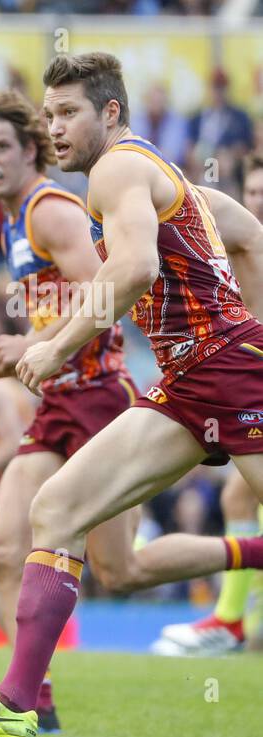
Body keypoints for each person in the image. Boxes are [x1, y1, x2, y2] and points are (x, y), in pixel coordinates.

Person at [0, 53, 263, 737]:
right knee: (58, 511)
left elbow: (134, 266)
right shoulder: (161, 179)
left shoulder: (115, 171)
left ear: (110, 113)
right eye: (49, 113)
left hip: (227, 369)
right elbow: (247, 235)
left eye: (68, 112)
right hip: (185, 381)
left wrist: (54, 346)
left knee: (96, 546)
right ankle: (17, 705)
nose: (55, 127)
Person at [0, 89, 142, 733]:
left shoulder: (51, 211)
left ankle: (251, 551)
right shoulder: (13, 220)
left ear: (31, 148)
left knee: (122, 571)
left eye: (1, 147)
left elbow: (107, 299)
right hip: (58, 402)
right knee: (3, 551)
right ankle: (33, 700)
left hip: (99, 399)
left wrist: (28, 347)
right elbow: (47, 327)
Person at [154, 152, 263, 656]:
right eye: (253, 194)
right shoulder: (233, 253)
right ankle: (233, 620)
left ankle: (233, 620)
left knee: (242, 496)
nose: (257, 203)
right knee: (240, 497)